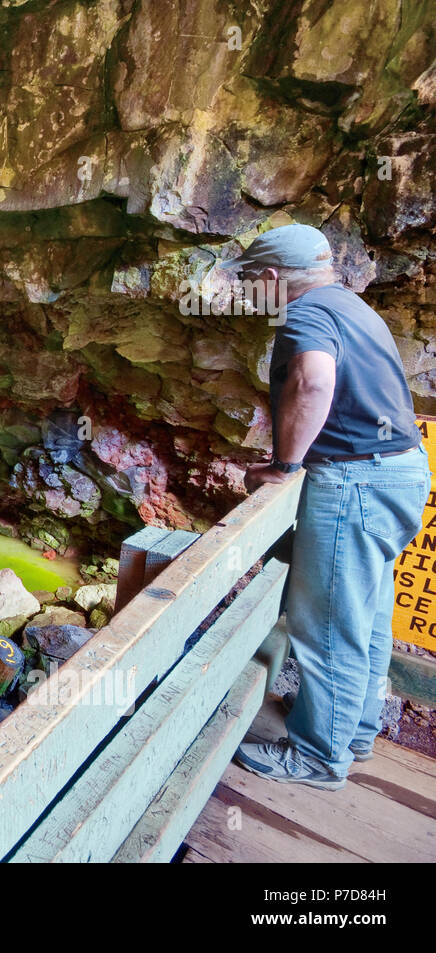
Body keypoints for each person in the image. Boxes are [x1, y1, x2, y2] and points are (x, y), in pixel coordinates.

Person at [226, 223, 429, 790]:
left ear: (270, 277)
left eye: (249, 283)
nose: (248, 295)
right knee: (363, 617)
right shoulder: (351, 306)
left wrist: (286, 466)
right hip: (400, 472)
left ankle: (319, 757)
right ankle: (355, 732)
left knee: (327, 626)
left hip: (355, 483)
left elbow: (313, 382)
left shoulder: (305, 313)